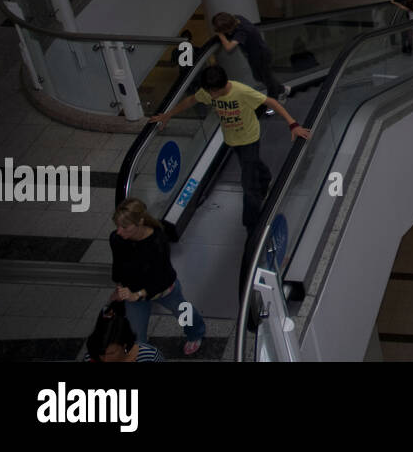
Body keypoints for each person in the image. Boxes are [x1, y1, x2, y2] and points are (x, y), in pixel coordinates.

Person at [148, 65, 310, 232]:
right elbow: (191, 100)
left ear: (223, 86)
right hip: (232, 139)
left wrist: (293, 125)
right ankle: (265, 177)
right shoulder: (209, 91)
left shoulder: (241, 92)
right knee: (252, 164)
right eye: (209, 92)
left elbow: (271, 102)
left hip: (249, 138)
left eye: (213, 93)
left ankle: (252, 226)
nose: (211, 97)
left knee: (248, 184)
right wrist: (168, 115)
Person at [109, 197, 205, 355]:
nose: (119, 231)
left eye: (125, 227)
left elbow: (161, 278)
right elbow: (118, 266)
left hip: (165, 290)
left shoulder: (157, 240)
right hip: (134, 294)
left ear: (140, 222)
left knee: (185, 314)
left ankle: (196, 333)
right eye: (118, 226)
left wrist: (138, 294)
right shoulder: (117, 239)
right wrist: (119, 288)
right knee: (136, 339)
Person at [212, 12, 288, 104]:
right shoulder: (237, 17)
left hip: (262, 55)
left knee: (267, 78)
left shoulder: (241, 32)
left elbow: (229, 47)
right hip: (255, 55)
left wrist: (221, 35)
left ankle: (273, 101)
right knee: (258, 77)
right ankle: (282, 89)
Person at [84, 302, 163, 362]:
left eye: (111, 353)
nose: (106, 359)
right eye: (101, 354)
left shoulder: (149, 356)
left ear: (125, 345)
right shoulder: (91, 356)